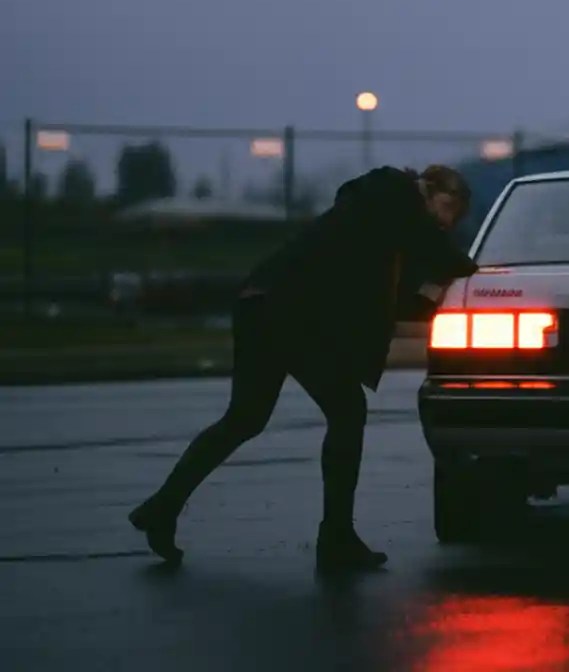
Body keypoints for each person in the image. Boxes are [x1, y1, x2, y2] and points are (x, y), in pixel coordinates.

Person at [128, 165, 479, 572]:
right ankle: (336, 538)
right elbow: (429, 245)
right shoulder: (390, 189)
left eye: (454, 217)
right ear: (431, 188)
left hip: (264, 305)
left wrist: (434, 291)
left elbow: (399, 298)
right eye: (449, 207)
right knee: (345, 412)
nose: (447, 220)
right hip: (287, 308)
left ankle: (162, 507)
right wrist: (473, 270)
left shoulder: (394, 237)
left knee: (246, 418)